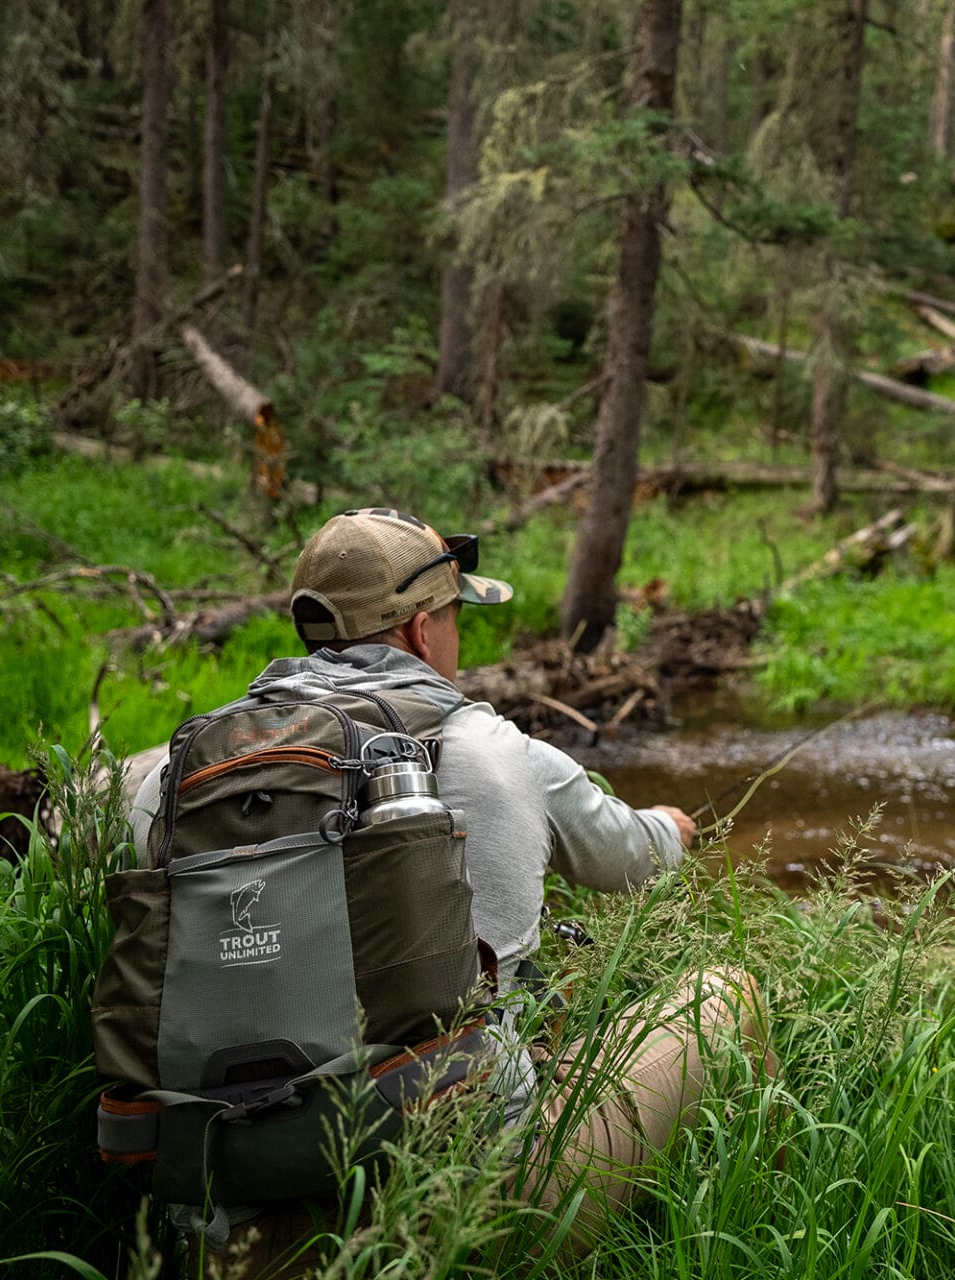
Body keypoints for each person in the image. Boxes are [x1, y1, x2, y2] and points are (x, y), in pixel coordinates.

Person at [124, 507, 773, 1274]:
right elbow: (636, 858)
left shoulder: (176, 774)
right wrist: (674, 827)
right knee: (725, 996)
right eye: (456, 616)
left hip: (221, 1242)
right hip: (460, 1221)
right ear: (421, 631)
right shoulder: (496, 751)